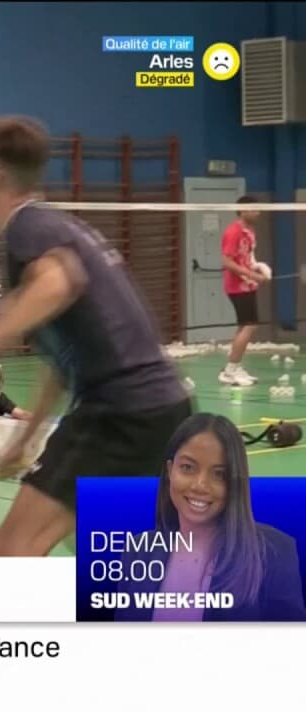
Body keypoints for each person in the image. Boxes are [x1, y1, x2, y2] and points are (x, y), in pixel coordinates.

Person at [0, 115, 194, 557]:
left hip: (120, 413)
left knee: (10, 551)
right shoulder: (54, 225)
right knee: (92, 545)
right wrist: (23, 441)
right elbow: (59, 361)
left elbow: (58, 282)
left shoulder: (28, 228)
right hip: (161, 407)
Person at [114, 412, 306, 621]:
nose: (200, 485)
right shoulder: (138, 550)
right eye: (187, 468)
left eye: (219, 474)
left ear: (235, 481)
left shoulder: (274, 553)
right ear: (170, 471)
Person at [218, 196, 268, 387]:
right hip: (237, 286)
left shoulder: (249, 232)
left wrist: (259, 269)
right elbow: (227, 261)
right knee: (250, 325)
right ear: (243, 210)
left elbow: (247, 258)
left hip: (247, 284)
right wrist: (252, 276)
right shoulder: (234, 232)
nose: (259, 213)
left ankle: (233, 368)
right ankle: (230, 370)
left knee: (243, 327)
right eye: (255, 209)